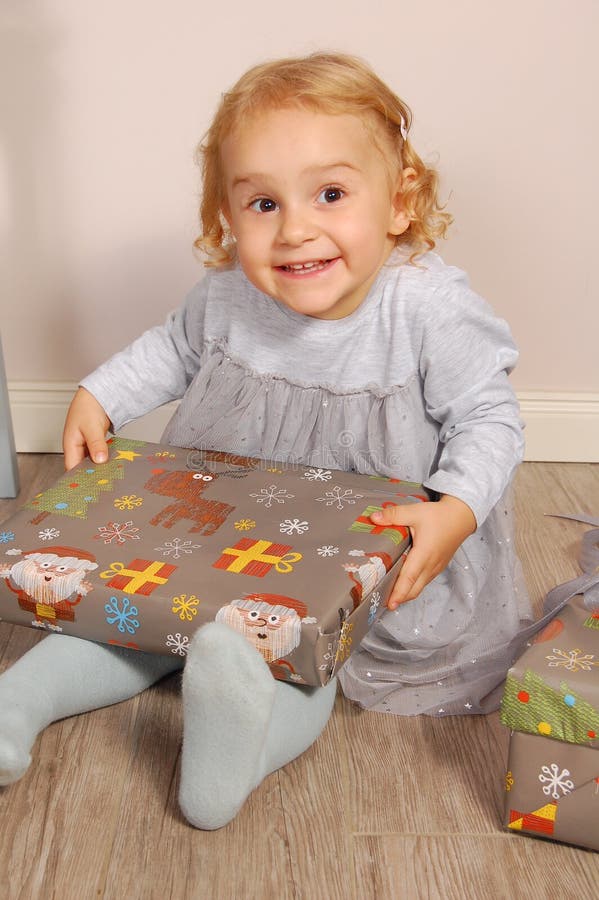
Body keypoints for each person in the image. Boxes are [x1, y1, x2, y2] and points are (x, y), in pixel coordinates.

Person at [0, 52, 532, 829]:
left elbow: (490, 418)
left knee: (303, 660)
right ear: (225, 213)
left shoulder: (425, 310)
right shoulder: (228, 297)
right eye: (260, 203)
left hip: (350, 548)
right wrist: (100, 392)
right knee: (132, 614)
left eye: (330, 193)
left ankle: (235, 752)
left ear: (397, 200)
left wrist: (453, 509)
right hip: (217, 527)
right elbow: (171, 348)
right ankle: (18, 703)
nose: (294, 229)